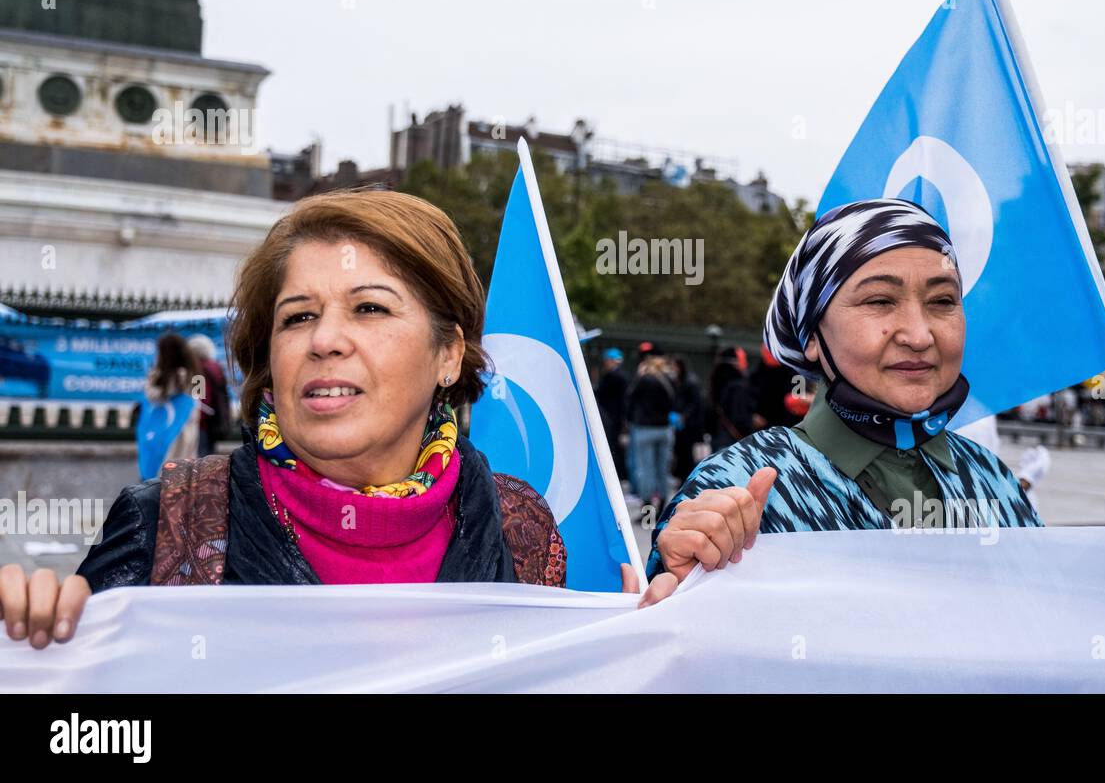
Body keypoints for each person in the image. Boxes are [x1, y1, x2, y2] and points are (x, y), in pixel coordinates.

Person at [3, 188, 677, 650]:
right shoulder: (165, 524)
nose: (324, 340)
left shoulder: (525, 527)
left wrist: (640, 645)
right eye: (298, 316)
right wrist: (33, 633)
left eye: (370, 309)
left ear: (448, 354)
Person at [646, 198, 1105, 581]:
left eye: (942, 301)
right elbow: (674, 644)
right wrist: (682, 566)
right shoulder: (738, 489)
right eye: (880, 302)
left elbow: (1050, 638)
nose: (919, 334)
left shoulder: (993, 480)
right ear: (813, 336)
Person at [136, 333, 201, 480]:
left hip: (168, 432)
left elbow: (152, 395)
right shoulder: (194, 374)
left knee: (158, 477)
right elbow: (199, 399)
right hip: (187, 431)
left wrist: (154, 376)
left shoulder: (169, 375)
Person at [626, 354, 677, 514]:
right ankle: (663, 508)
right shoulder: (670, 380)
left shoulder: (645, 380)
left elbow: (630, 395)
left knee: (646, 470)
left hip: (645, 429)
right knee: (662, 469)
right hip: (664, 428)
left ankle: (647, 513)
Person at [188, 333, 231, 458]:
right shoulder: (215, 366)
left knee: (200, 459)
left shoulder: (198, 369)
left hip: (203, 424)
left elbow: (200, 398)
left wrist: (197, 420)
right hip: (215, 420)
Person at [709, 346, 756, 451]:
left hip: (718, 438)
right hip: (734, 443)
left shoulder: (717, 383)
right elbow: (740, 417)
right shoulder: (739, 386)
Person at [594, 347, 629, 482]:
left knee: (612, 446)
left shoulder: (612, 377)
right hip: (615, 417)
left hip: (611, 417)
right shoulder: (622, 376)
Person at [670, 356, 705, 481]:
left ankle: (687, 477)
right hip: (683, 424)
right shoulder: (680, 381)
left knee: (687, 453)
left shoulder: (690, 382)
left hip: (689, 425)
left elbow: (695, 404)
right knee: (682, 452)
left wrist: (684, 416)